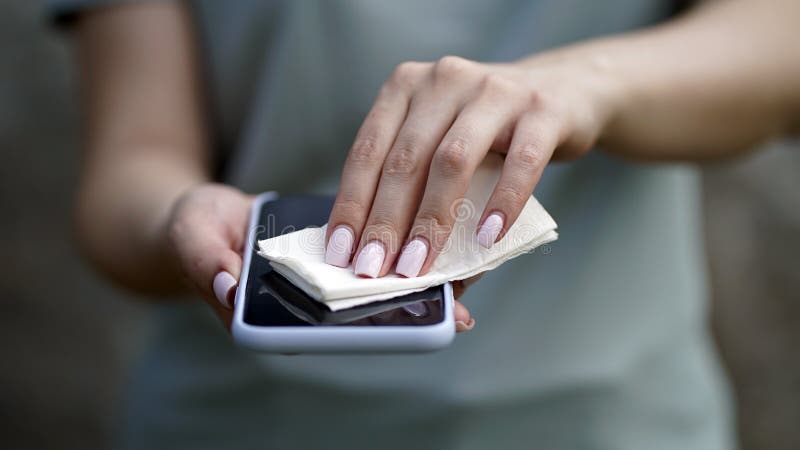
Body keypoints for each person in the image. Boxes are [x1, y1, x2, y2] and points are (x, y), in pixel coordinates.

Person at [51, 0, 799, 448]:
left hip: (610, 424)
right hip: (246, 423)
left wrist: (585, 84)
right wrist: (179, 219)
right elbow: (133, 161)